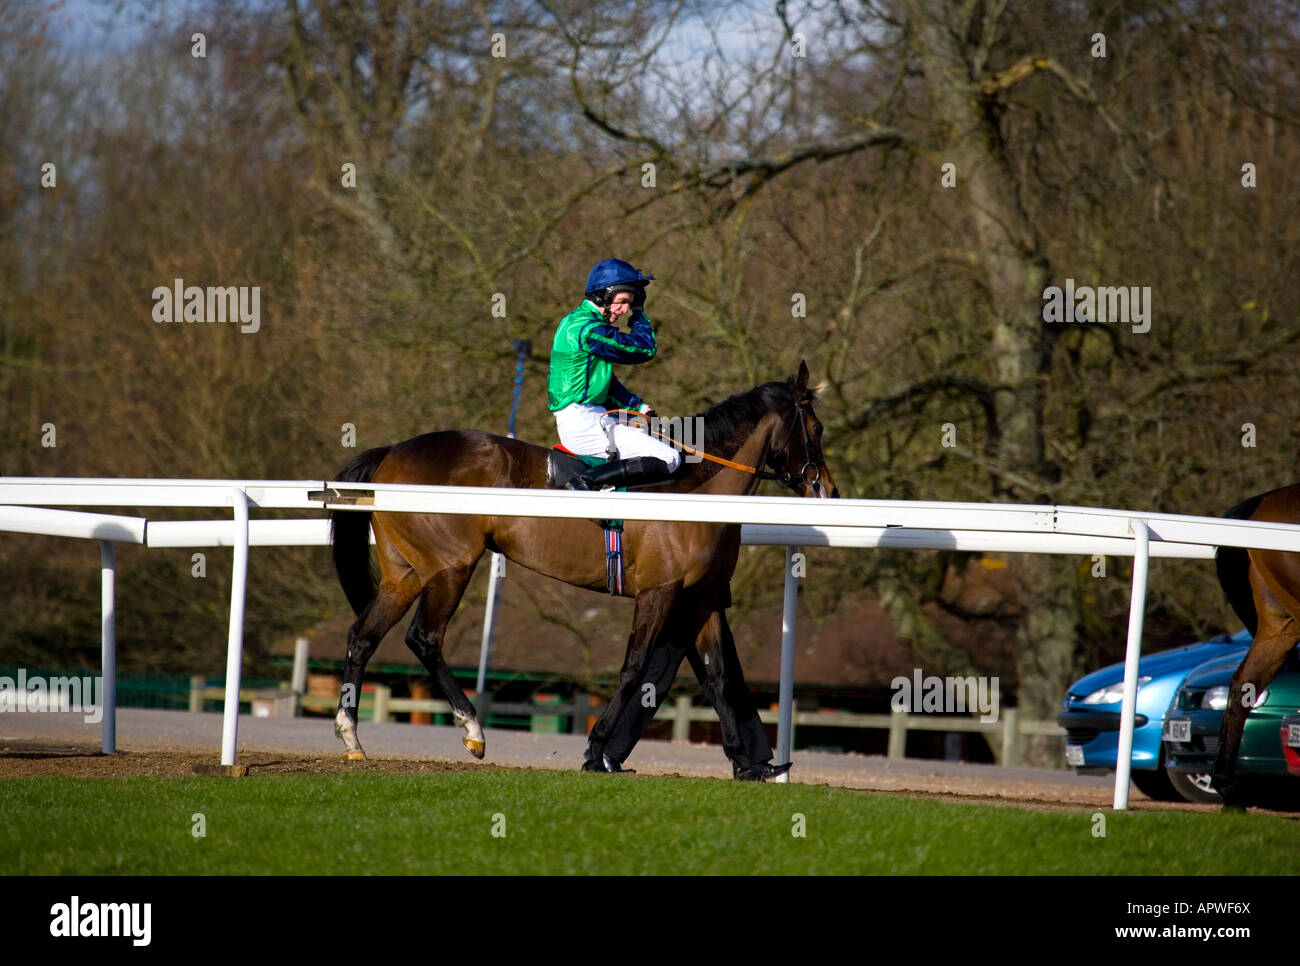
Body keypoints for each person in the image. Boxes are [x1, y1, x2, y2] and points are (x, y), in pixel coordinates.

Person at [548, 258, 681, 490]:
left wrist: (638, 407)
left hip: (593, 415)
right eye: (622, 302)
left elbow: (603, 385)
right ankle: (584, 483)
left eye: (630, 304)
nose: (625, 310)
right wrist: (639, 314)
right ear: (603, 296)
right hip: (582, 422)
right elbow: (643, 348)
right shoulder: (587, 329)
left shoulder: (579, 321)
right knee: (670, 458)